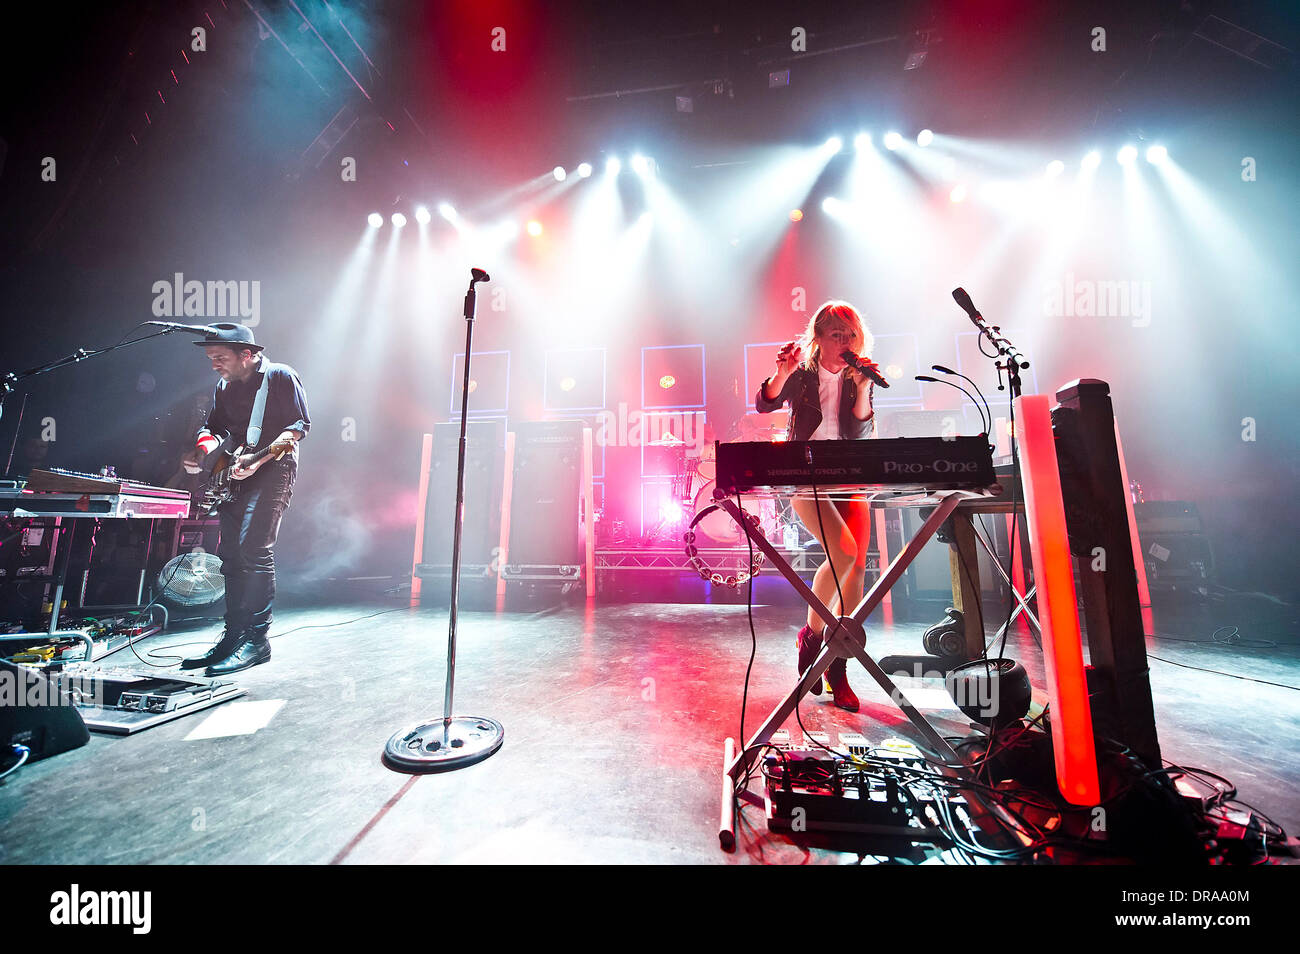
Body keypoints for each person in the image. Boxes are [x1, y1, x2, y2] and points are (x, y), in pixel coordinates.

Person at [755, 300, 881, 711]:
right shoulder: (804, 374)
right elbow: (767, 401)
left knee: (857, 570)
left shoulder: (856, 375)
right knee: (843, 553)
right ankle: (813, 640)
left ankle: (834, 666)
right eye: (836, 335)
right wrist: (782, 372)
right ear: (819, 337)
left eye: (850, 335)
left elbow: (861, 432)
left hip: (848, 474)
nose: (844, 341)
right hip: (805, 474)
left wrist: (862, 388)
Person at [178, 323, 310, 676]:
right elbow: (215, 429)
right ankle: (233, 635)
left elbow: (297, 429)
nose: (214, 365)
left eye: (220, 358)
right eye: (210, 359)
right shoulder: (225, 385)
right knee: (232, 555)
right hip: (235, 471)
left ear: (247, 355)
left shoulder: (280, 376)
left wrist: (258, 460)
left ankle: (256, 640)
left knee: (255, 550)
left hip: (273, 470)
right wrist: (200, 450)